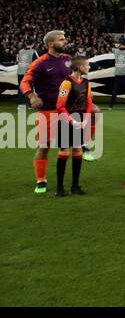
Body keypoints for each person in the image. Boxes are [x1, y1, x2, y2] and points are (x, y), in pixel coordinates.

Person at [21, 29, 72, 195]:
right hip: (47, 111)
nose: (65, 42)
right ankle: (41, 180)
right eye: (61, 39)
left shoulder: (68, 60)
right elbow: (25, 82)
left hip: (66, 110)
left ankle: (64, 182)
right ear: (51, 44)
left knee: (68, 145)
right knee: (44, 146)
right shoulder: (40, 63)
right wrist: (32, 96)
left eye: (64, 39)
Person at [54, 54, 94, 196]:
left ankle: (75, 186)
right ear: (79, 67)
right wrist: (73, 121)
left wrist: (85, 119)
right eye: (87, 65)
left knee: (77, 151)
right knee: (64, 152)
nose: (89, 67)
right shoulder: (66, 83)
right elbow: (60, 106)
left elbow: (88, 102)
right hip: (67, 121)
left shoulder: (86, 83)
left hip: (81, 120)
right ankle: (59, 188)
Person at [110, 41, 125, 110]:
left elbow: (112, 48)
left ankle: (110, 106)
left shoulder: (116, 51)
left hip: (118, 73)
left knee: (115, 90)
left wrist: (117, 46)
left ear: (120, 44)